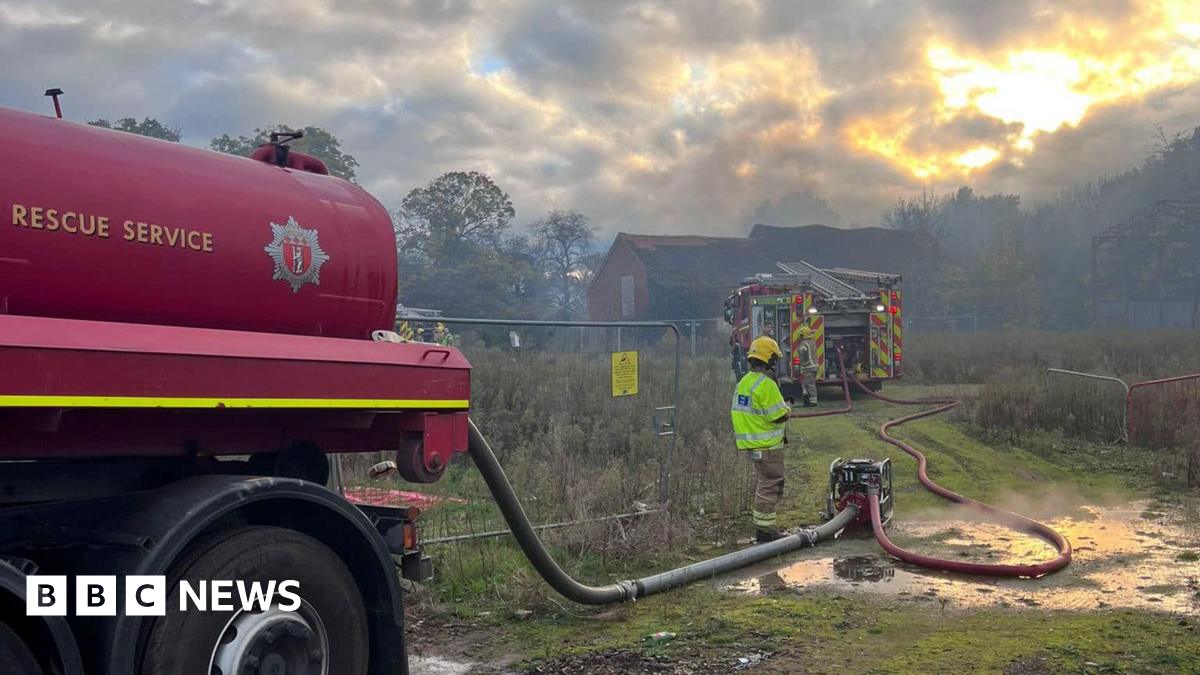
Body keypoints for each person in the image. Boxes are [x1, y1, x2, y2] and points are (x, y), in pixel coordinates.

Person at [730, 336, 793, 543]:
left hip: (752, 446)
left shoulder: (744, 382)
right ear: (770, 359)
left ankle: (763, 529)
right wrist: (788, 407)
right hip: (769, 447)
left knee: (763, 484)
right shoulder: (766, 385)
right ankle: (766, 532)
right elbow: (779, 415)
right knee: (771, 486)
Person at [795, 324, 819, 407]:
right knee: (807, 383)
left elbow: (802, 354)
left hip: (808, 367)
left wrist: (801, 366)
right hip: (815, 366)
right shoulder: (812, 341)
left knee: (810, 384)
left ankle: (813, 402)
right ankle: (807, 399)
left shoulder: (803, 343)